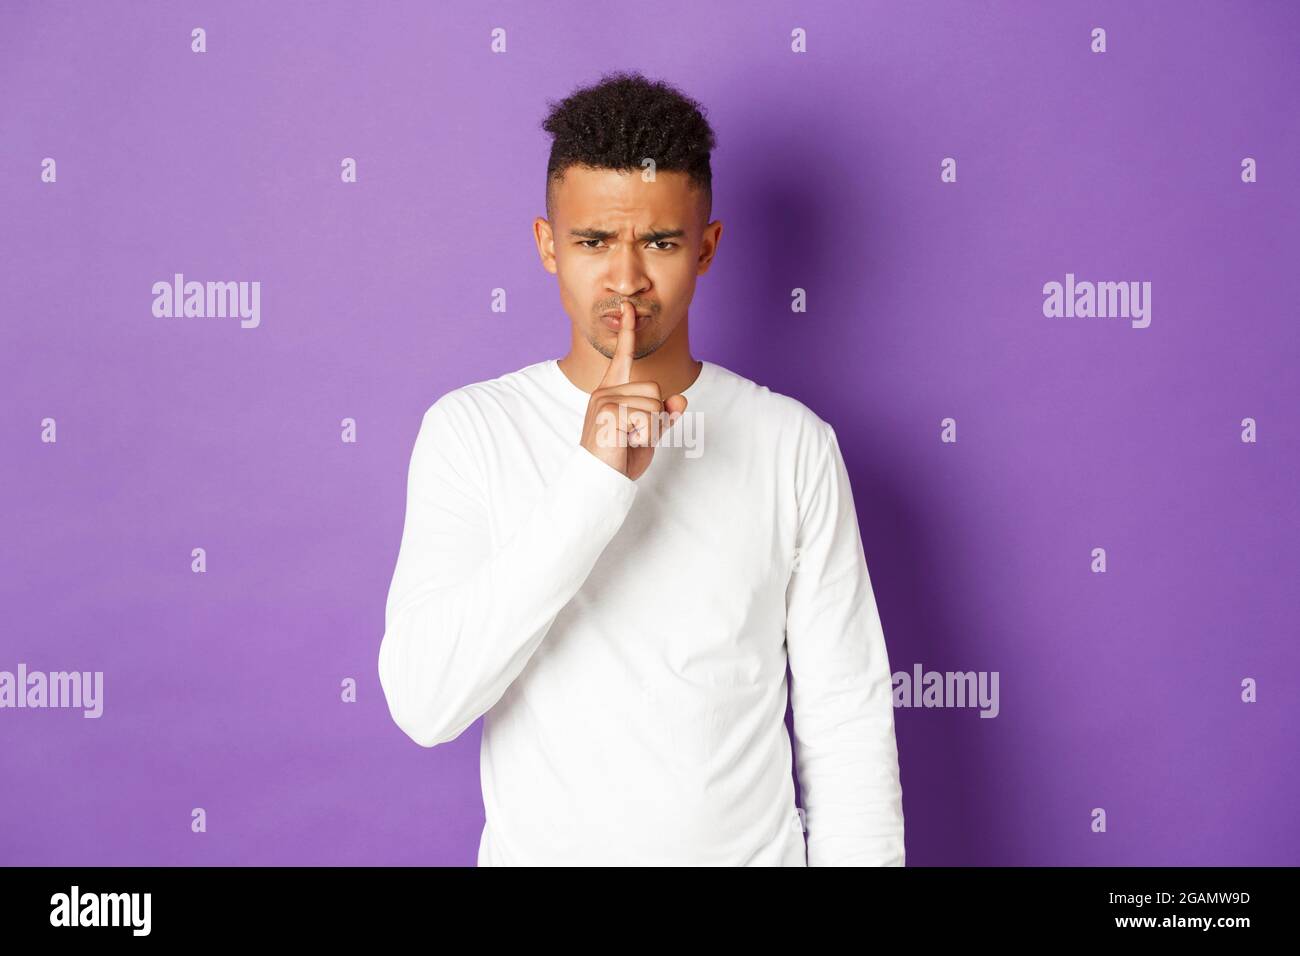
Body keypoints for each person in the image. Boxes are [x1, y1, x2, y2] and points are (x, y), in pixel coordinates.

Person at [378, 70, 904, 866]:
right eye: (593, 241)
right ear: (548, 245)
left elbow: (848, 724)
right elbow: (425, 704)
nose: (626, 278)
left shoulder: (791, 443)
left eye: (659, 241)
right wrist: (594, 479)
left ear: (707, 247)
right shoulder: (471, 431)